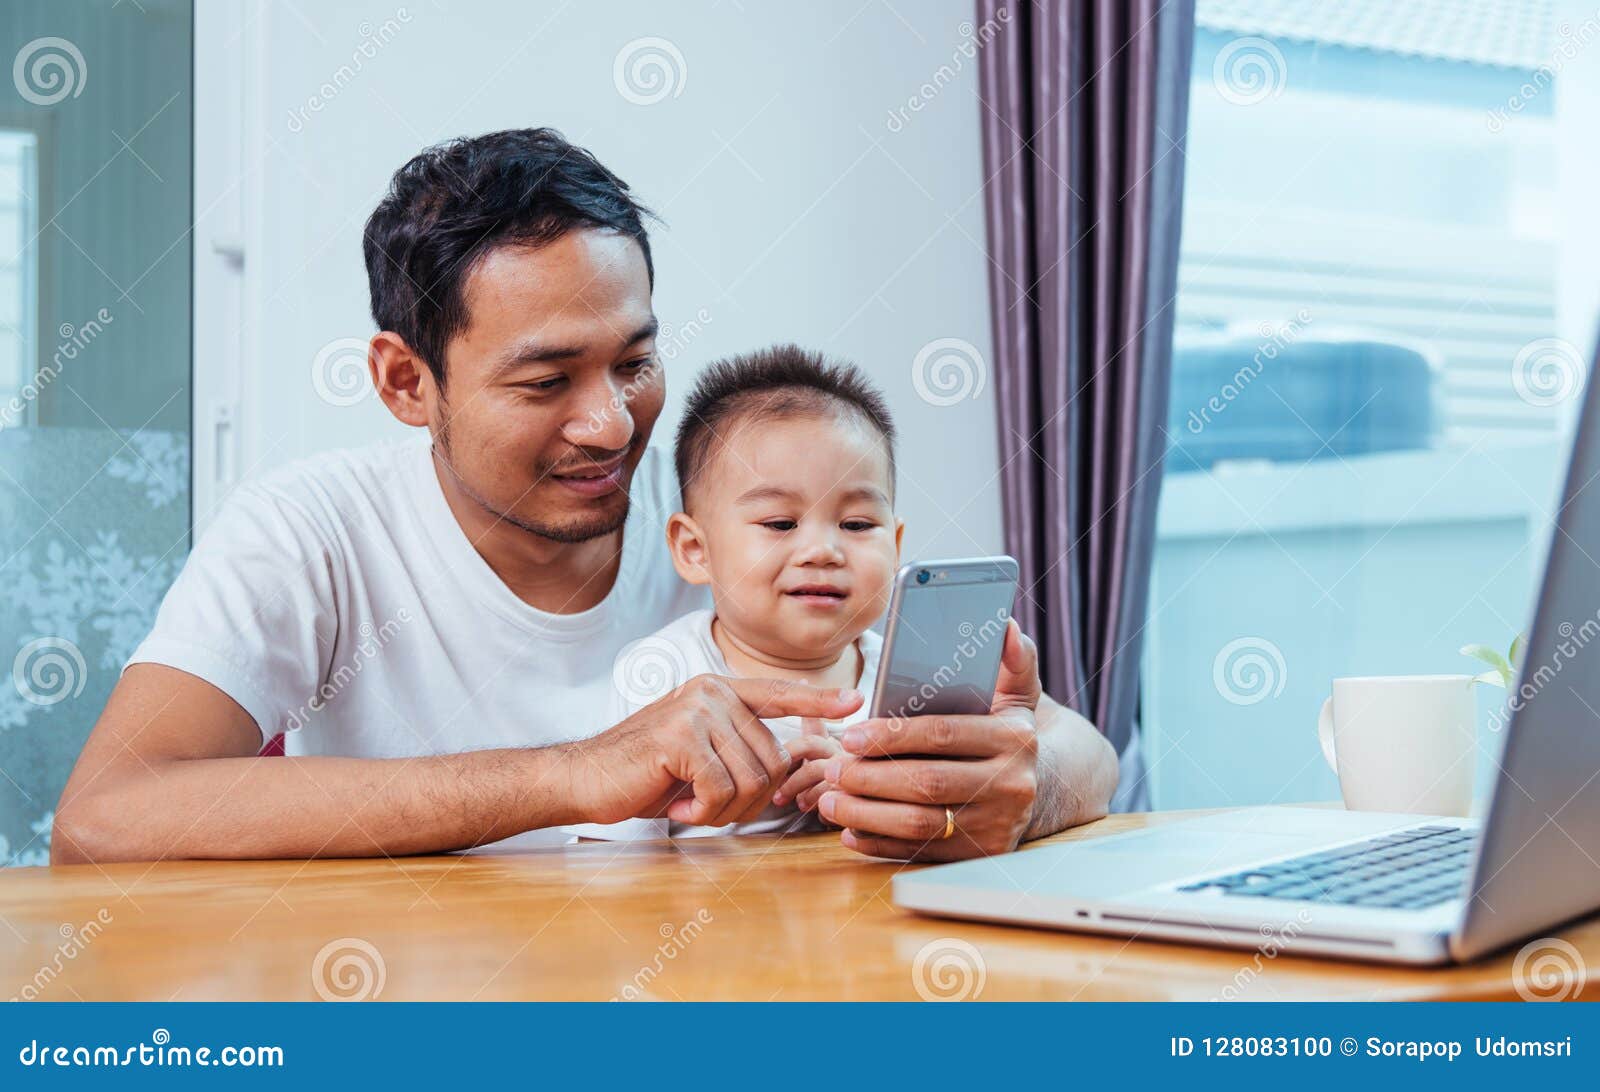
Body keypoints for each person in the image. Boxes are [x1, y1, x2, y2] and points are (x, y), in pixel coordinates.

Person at [51, 128, 1117, 864]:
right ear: (406, 382)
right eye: (545, 381)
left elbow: (1080, 753)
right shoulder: (311, 529)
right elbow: (104, 819)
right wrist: (575, 773)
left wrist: (1018, 788)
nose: (611, 425)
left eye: (634, 363)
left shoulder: (746, 527)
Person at [569, 344, 900, 843]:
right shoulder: (662, 675)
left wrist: (865, 800)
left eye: (856, 524)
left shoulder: (908, 685)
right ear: (695, 550)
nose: (823, 550)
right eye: (780, 523)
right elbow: (606, 859)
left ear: (896, 545)